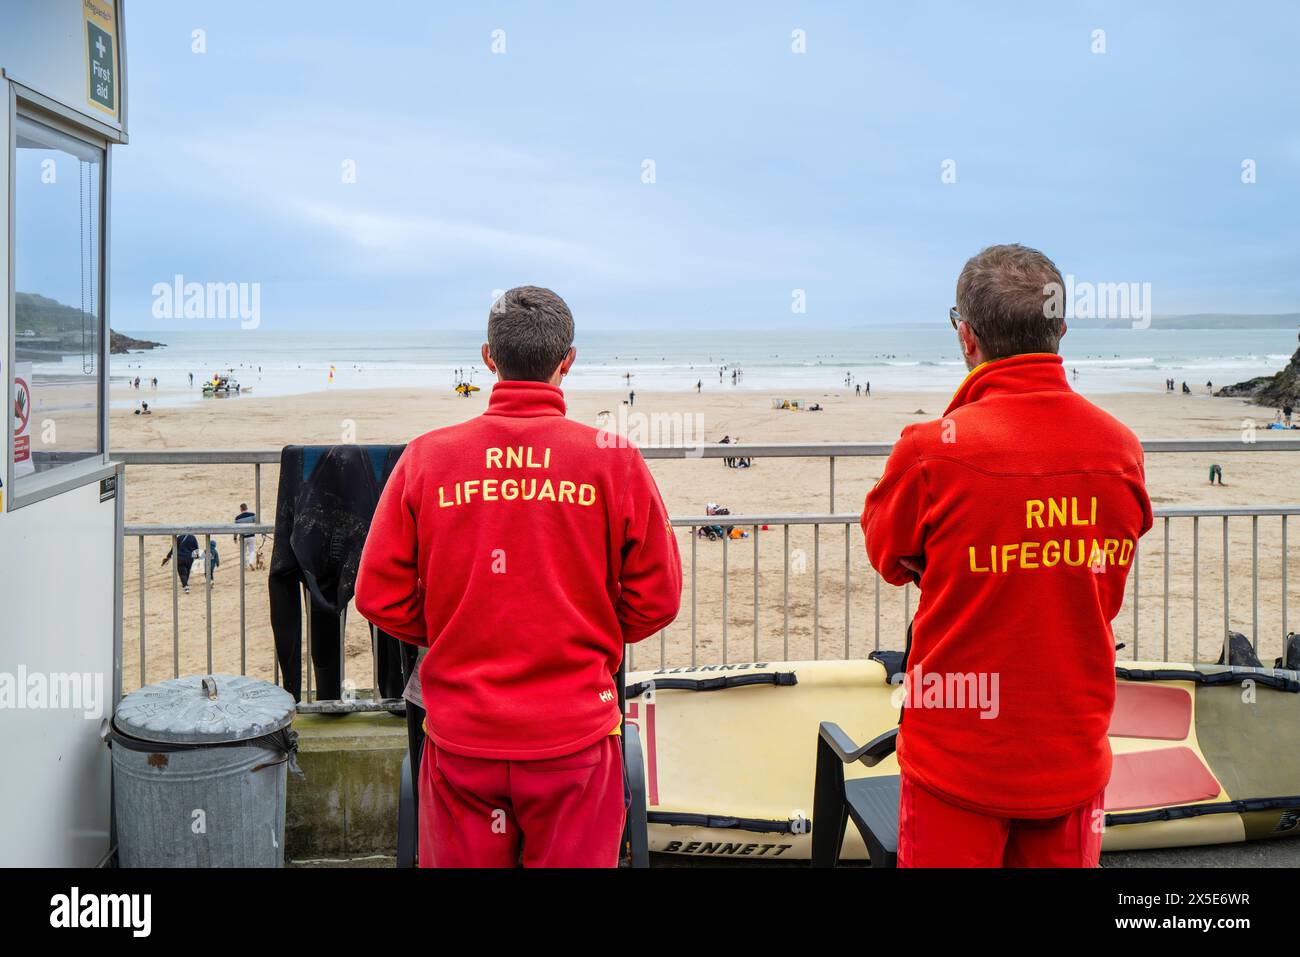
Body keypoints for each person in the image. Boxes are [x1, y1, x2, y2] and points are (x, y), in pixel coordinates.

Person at [356, 285, 682, 868]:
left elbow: (378, 594)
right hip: (576, 736)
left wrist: (451, 627)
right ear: (569, 360)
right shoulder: (614, 457)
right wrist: (590, 629)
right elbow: (657, 598)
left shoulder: (429, 457)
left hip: (462, 738)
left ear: (487, 358)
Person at [862, 244, 1152, 868]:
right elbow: (1104, 572)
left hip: (957, 756)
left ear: (967, 337)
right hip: (1071, 744)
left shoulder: (932, 451)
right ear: (1061, 330)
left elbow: (888, 554)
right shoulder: (1119, 448)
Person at [234, 502, 257, 569]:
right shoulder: (252, 515)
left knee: (243, 552)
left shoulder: (237, 518)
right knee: (252, 551)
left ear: (241, 509)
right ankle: (251, 562)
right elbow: (257, 524)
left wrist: (235, 538)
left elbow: (235, 529)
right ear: (247, 508)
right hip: (251, 536)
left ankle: (245, 566)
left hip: (242, 537)